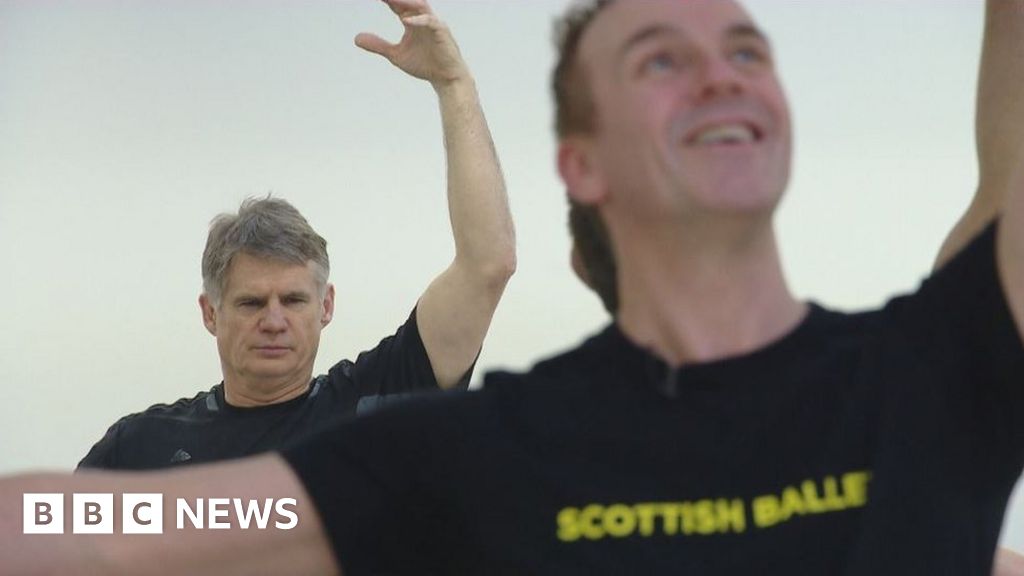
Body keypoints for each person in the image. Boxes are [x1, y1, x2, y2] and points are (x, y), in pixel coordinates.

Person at [2, 0, 1023, 574]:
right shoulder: (472, 449)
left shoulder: (931, 375)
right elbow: (71, 529)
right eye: (661, 60)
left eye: (747, 48)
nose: (721, 72)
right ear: (580, 164)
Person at [75, 0, 515, 470]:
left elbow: (488, 264)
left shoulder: (375, 405)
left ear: (326, 305)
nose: (274, 320)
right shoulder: (140, 449)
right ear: (210, 312)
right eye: (251, 303)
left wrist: (454, 85)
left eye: (294, 299)